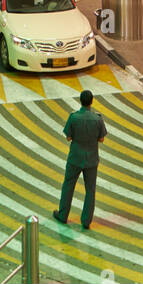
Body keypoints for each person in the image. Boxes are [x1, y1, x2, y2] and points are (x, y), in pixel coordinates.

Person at [53, 90, 107, 230]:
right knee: (90, 189)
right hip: (91, 159)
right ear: (91, 101)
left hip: (75, 158)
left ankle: (63, 215)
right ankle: (86, 220)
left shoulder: (74, 117)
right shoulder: (98, 119)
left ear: (80, 101)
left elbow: (68, 137)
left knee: (68, 185)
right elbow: (101, 139)